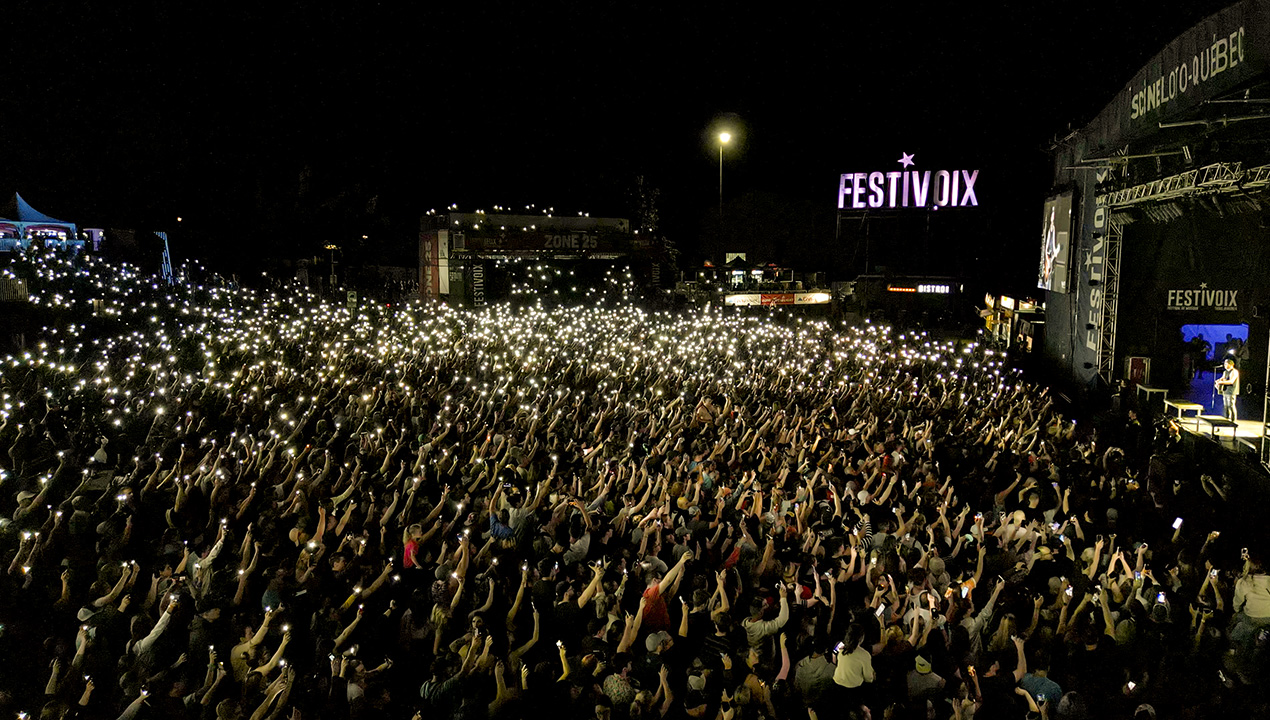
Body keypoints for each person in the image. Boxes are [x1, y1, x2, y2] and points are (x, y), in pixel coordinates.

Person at [1215, 357, 1240, 422]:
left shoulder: (1234, 372)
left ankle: (1233, 420)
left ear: (1231, 364)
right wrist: (1218, 381)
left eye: (1226, 364)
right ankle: (1226, 418)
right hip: (1225, 390)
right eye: (1224, 364)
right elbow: (1222, 378)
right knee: (1226, 405)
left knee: (1231, 405)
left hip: (1231, 391)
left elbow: (1231, 381)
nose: (1224, 365)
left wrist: (1221, 382)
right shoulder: (1225, 372)